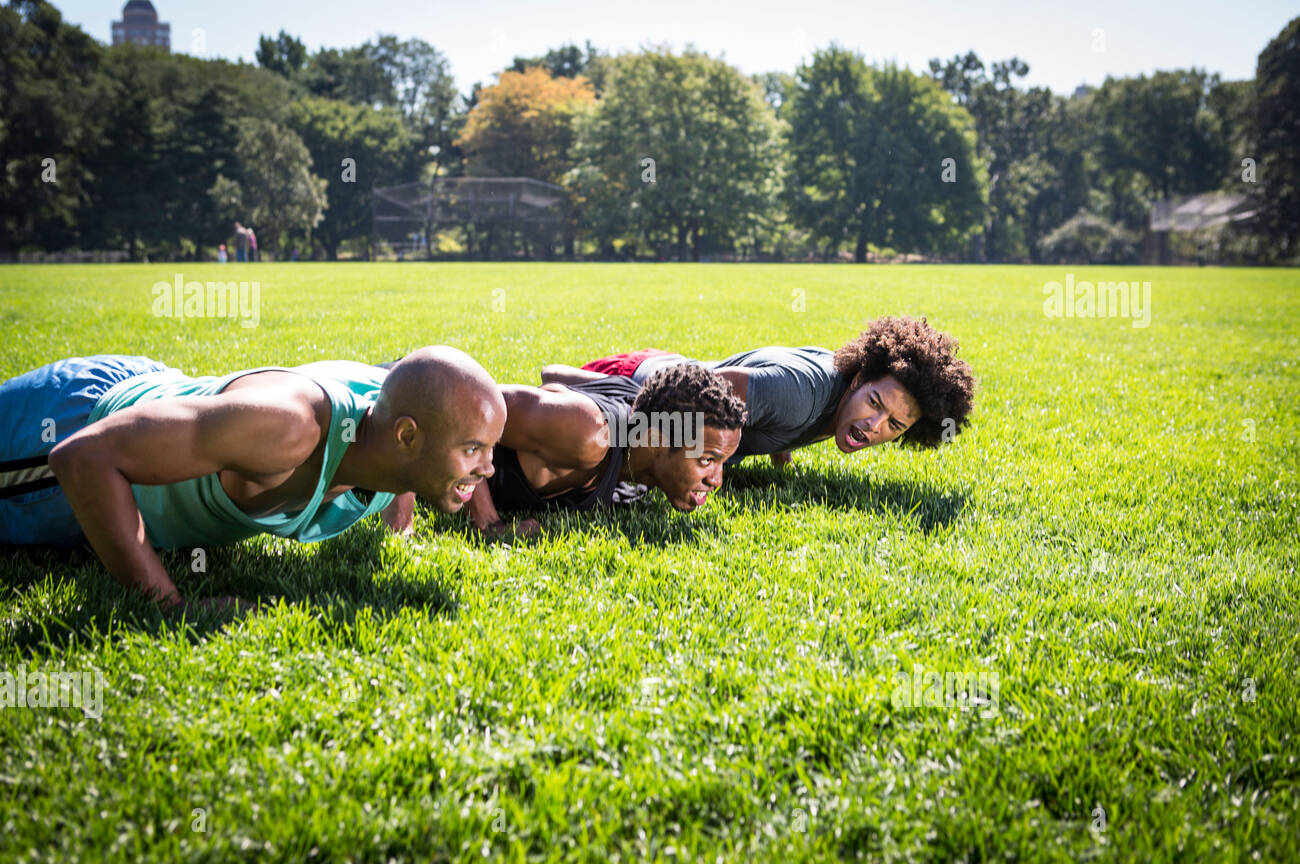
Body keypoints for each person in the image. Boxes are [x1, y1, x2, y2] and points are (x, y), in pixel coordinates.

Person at [0, 347, 504, 607]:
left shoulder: (393, 433)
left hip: (155, 391)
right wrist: (169, 604)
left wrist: (404, 526)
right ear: (408, 437)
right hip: (61, 431)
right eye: (473, 450)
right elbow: (83, 459)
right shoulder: (289, 429)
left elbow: (416, 382)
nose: (488, 469)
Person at [540, 316, 976, 466]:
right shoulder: (797, 392)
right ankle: (560, 382)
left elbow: (775, 407)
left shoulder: (835, 400)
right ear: (861, 377)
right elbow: (697, 395)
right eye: (875, 403)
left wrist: (779, 447)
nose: (874, 425)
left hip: (668, 362)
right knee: (592, 434)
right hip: (643, 379)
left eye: (895, 425)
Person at [468, 364, 746, 536]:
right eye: (707, 460)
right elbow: (474, 405)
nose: (716, 480)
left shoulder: (642, 452)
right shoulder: (589, 435)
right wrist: (487, 521)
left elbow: (554, 371)